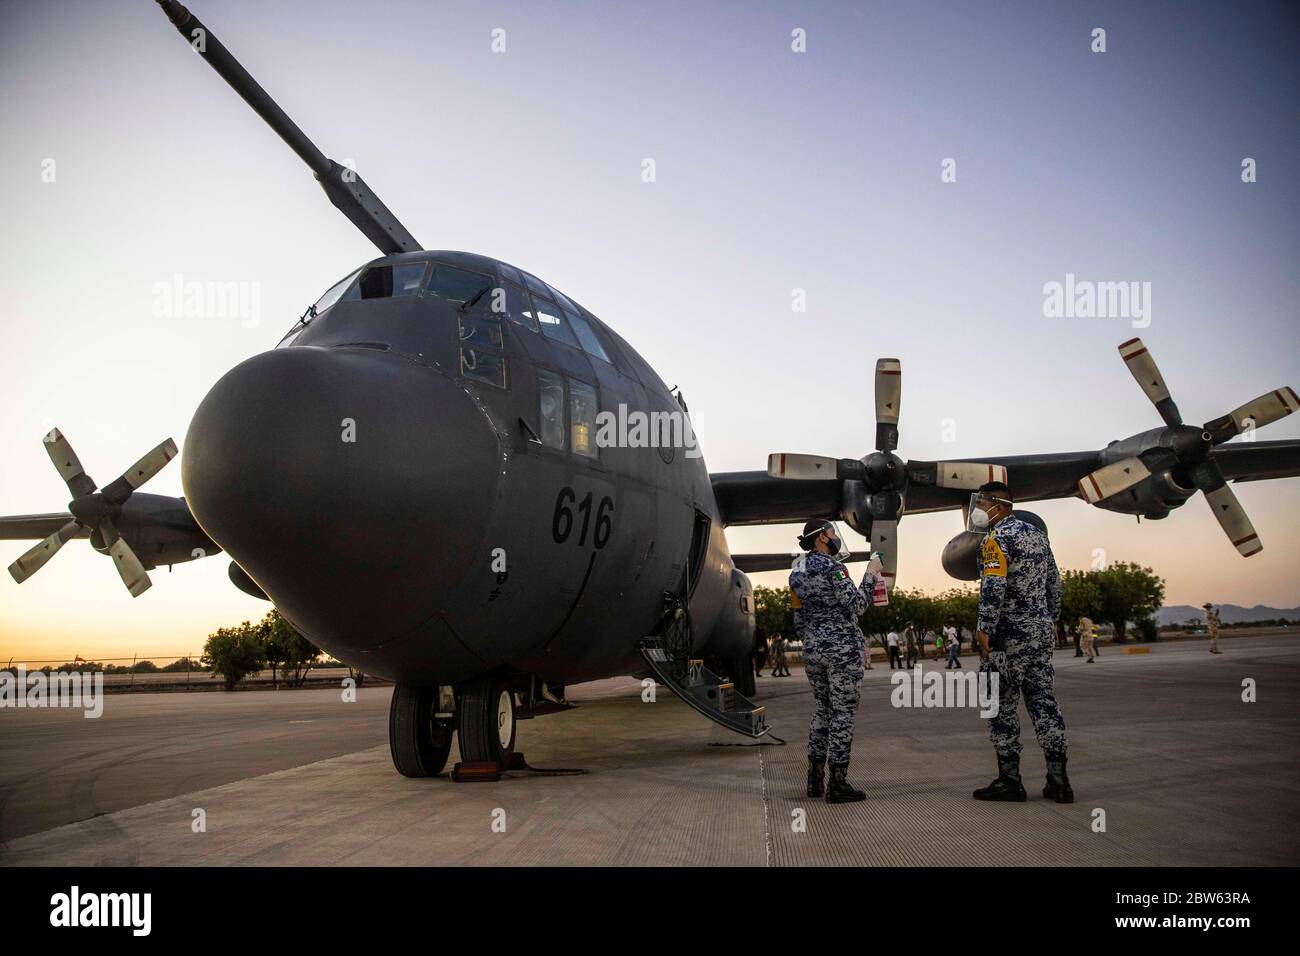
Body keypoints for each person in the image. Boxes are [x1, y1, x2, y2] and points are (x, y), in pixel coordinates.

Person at [968, 482, 1072, 804]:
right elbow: (1054, 581)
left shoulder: (996, 538)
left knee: (1000, 706)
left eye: (982, 503)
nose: (978, 510)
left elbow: (994, 586)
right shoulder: (1037, 536)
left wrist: (984, 626)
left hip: (1007, 637)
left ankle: (1010, 781)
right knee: (1043, 703)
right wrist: (1051, 618)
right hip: (1039, 633)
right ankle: (1059, 783)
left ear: (998, 505)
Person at [790, 518, 881, 804]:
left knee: (822, 712)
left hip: (813, 649)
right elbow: (857, 605)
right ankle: (838, 783)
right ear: (821, 538)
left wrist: (813, 638)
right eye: (831, 533)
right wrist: (871, 574)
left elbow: (797, 618)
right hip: (841, 649)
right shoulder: (835, 568)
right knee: (842, 714)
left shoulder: (796, 571)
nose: (834, 537)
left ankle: (815, 781)